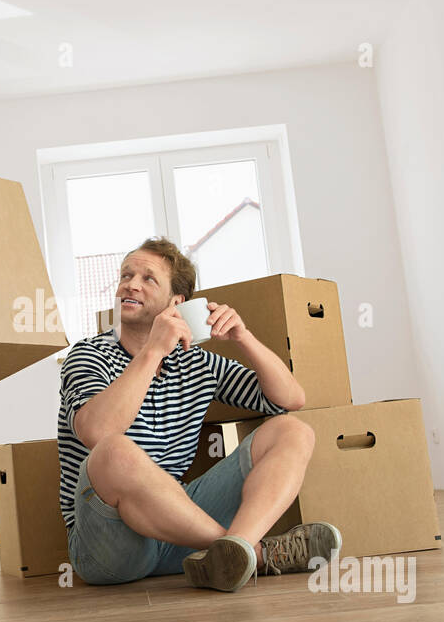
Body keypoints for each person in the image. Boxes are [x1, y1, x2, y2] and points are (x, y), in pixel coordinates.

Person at [57, 237, 342, 591]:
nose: (130, 284)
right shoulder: (89, 354)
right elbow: (97, 432)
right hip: (109, 546)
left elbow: (291, 398)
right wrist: (153, 351)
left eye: (148, 279)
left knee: (293, 431)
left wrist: (243, 336)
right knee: (115, 452)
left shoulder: (197, 363)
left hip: (179, 531)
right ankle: (256, 553)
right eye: (126, 275)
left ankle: (229, 553)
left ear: (177, 302)